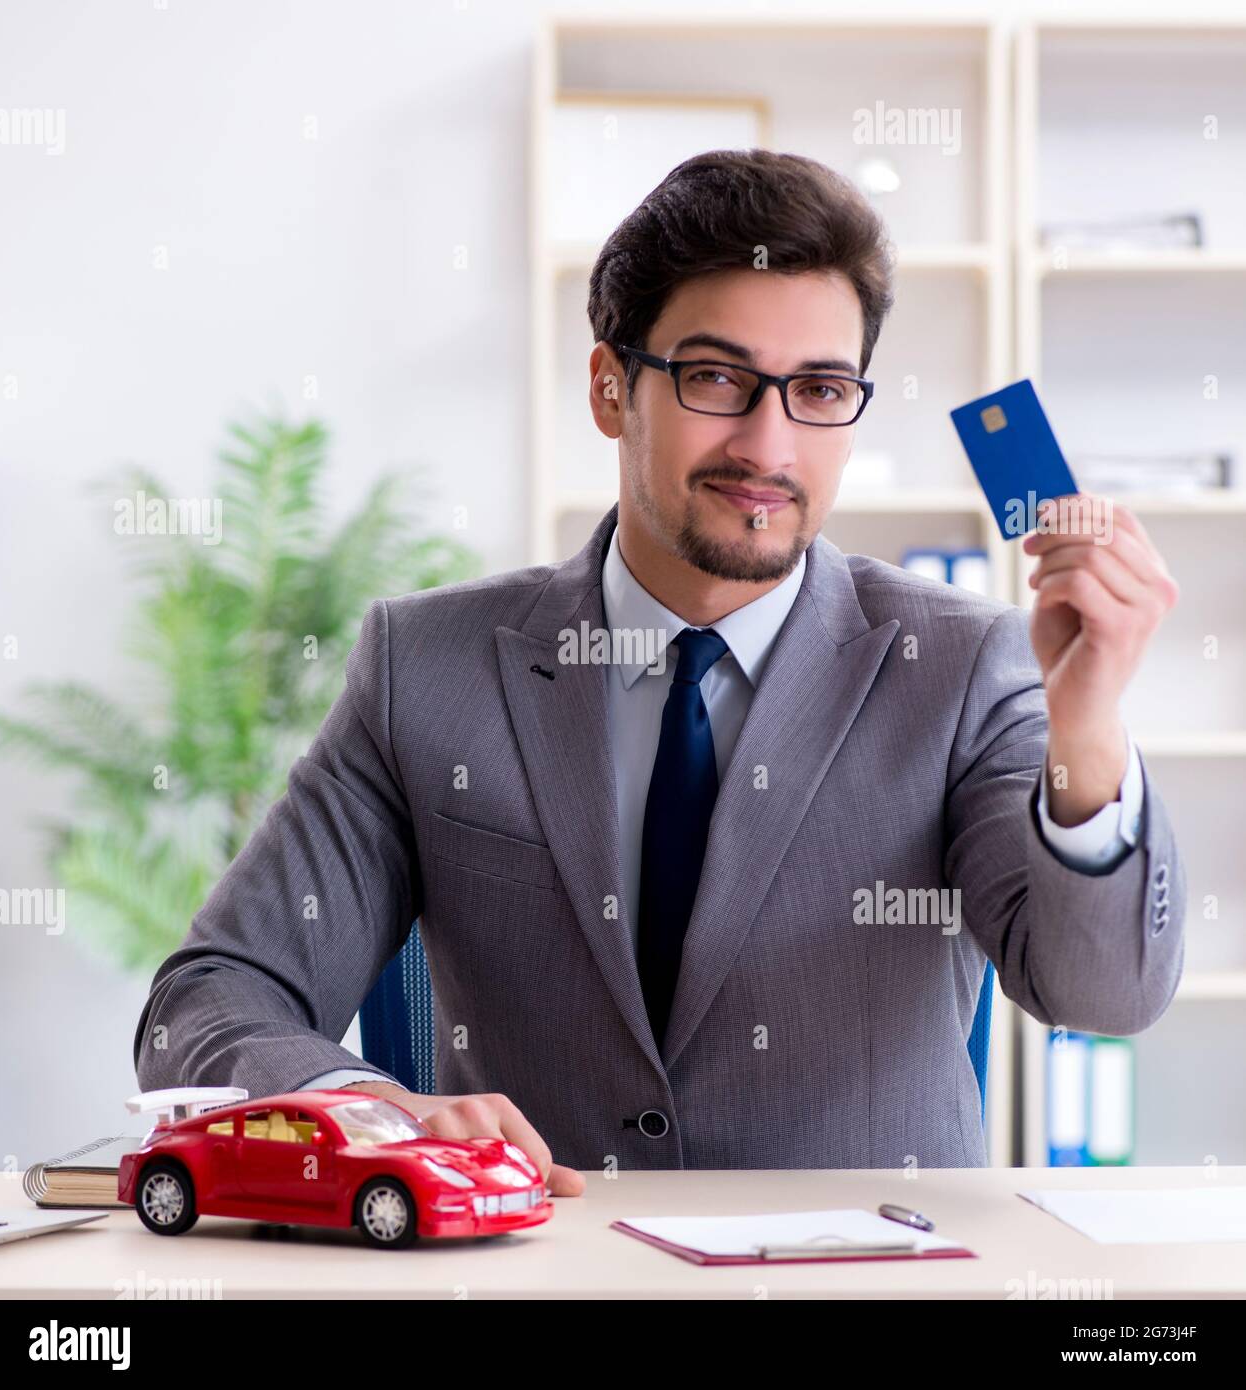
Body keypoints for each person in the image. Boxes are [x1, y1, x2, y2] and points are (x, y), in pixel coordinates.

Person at [135, 150, 1184, 1197]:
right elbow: (211, 996)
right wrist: (370, 1111)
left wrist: (1085, 727)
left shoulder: (960, 668)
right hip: (536, 1274)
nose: (768, 446)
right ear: (609, 387)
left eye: (818, 389)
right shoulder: (428, 669)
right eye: (716, 377)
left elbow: (1103, 989)